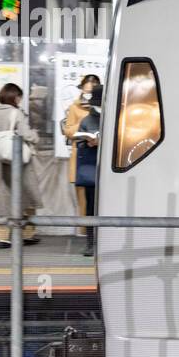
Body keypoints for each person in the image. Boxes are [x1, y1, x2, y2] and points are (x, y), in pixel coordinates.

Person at [0, 83, 41, 247]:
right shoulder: (16, 113)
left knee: (3, 198)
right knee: (27, 195)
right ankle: (26, 235)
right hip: (18, 161)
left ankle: (2, 237)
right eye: (19, 96)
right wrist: (35, 135)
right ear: (15, 97)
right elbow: (26, 134)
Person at [63, 74, 100, 241]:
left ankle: (96, 235)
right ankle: (86, 235)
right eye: (87, 86)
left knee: (97, 198)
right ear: (82, 88)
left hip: (100, 156)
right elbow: (69, 131)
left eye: (93, 87)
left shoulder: (105, 106)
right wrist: (85, 120)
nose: (89, 89)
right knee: (84, 199)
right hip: (82, 156)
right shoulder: (74, 107)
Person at [72, 82, 102, 257]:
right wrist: (89, 141)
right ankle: (90, 242)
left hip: (111, 171)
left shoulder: (115, 117)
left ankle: (100, 241)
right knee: (91, 207)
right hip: (93, 169)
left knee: (102, 207)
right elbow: (79, 140)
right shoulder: (87, 120)